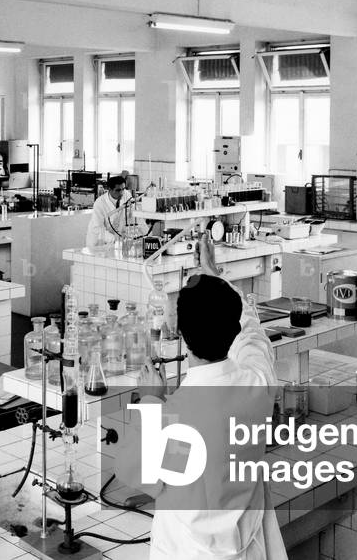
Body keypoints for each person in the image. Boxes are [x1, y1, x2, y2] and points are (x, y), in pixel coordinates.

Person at [116, 237, 286, 560]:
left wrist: (152, 401)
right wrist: (215, 274)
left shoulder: (178, 417)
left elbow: (137, 472)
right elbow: (253, 334)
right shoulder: (258, 383)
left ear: (178, 332)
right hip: (249, 548)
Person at [85, 175, 131, 249]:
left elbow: (134, 216)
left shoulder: (126, 196)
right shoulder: (100, 203)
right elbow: (98, 229)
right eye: (118, 190)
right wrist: (116, 239)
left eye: (123, 189)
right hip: (98, 242)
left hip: (115, 242)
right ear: (109, 189)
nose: (122, 193)